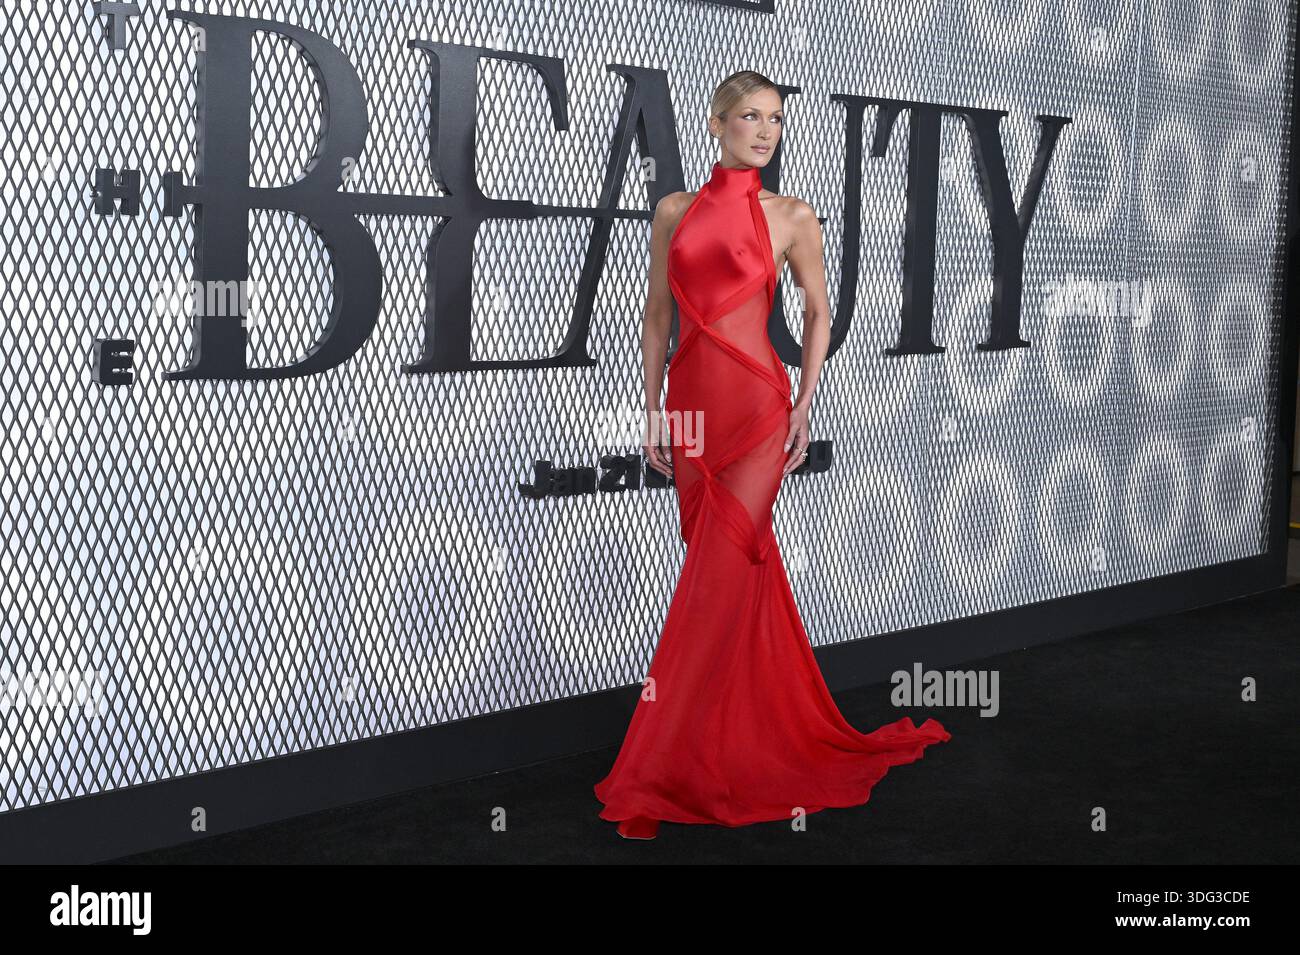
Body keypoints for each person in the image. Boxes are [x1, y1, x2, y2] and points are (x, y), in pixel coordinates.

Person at [594, 70, 951, 840]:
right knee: (726, 576)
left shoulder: (792, 216)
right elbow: (656, 316)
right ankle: (739, 738)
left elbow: (820, 314)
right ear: (717, 122)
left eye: (776, 120)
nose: (765, 130)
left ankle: (658, 767)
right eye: (751, 117)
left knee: (716, 577)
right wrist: (650, 408)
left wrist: (806, 404)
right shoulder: (671, 212)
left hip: (758, 409)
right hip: (691, 409)